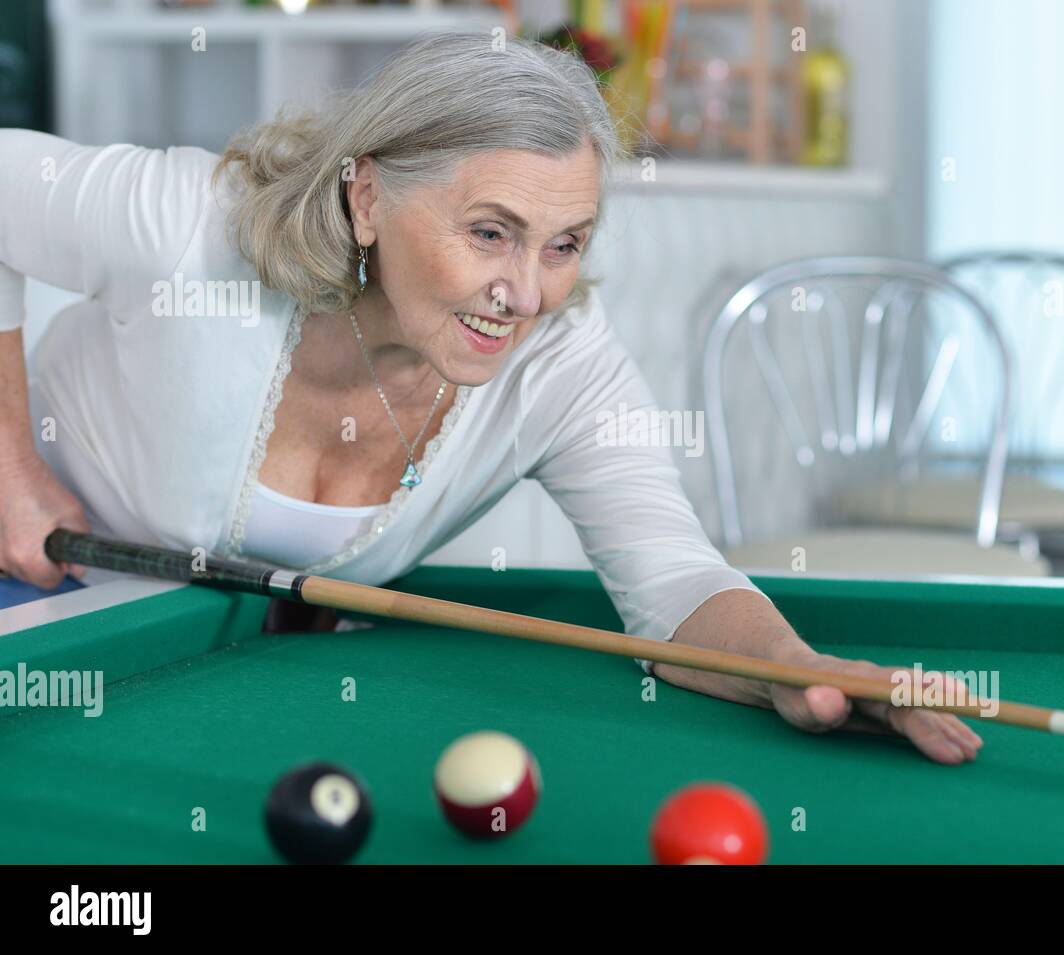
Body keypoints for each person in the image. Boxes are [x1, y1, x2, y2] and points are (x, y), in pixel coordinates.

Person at [0, 32, 980, 764]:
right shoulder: (188, 227)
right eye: (488, 233)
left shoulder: (563, 367)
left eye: (564, 244)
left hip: (200, 692)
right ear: (368, 198)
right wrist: (10, 464)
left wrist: (797, 667)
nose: (525, 291)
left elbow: (675, 584)